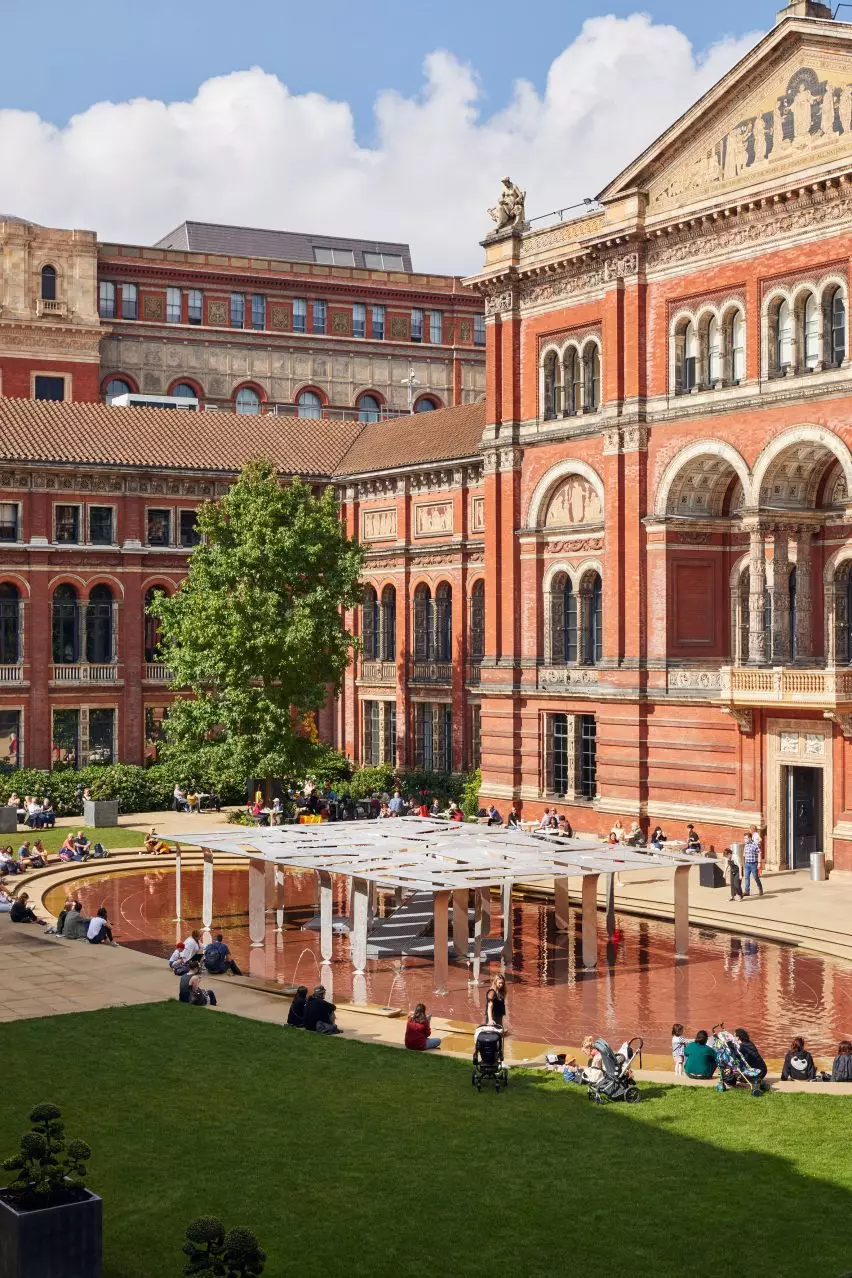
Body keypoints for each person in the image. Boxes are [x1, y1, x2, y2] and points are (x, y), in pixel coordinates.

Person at [743, 830, 764, 897]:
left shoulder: (754, 844)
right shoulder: (746, 845)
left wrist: (759, 863)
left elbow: (759, 853)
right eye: (744, 838)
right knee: (746, 877)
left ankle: (760, 888)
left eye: (745, 838)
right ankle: (747, 891)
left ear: (749, 838)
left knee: (755, 877)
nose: (744, 839)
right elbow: (744, 854)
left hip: (753, 864)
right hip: (747, 864)